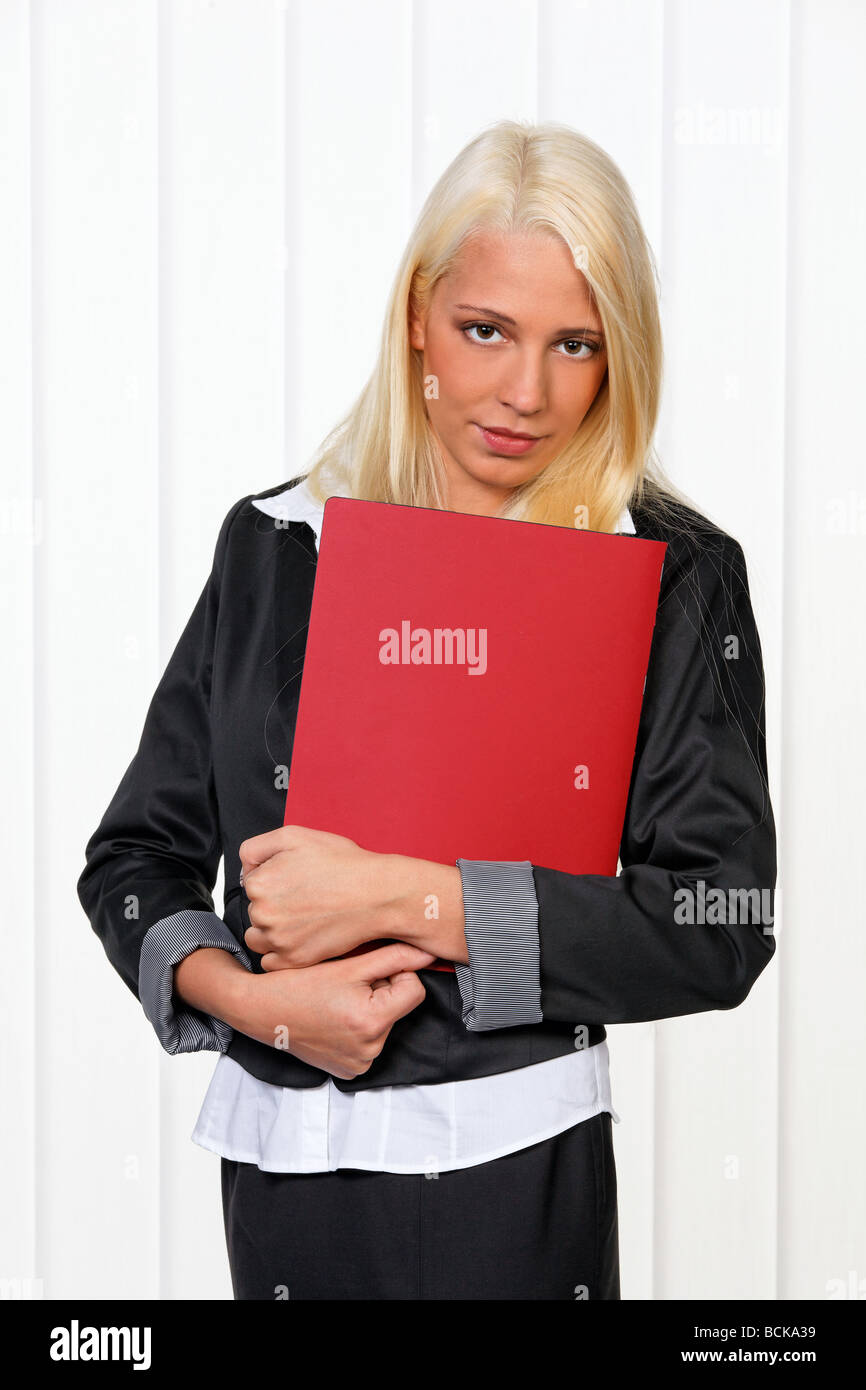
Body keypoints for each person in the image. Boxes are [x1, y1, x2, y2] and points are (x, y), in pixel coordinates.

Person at [77, 118, 776, 1301]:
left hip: (511, 1184)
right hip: (278, 1187)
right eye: (484, 330)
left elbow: (719, 916)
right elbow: (132, 858)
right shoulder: (275, 543)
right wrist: (258, 1004)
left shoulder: (664, 572)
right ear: (417, 318)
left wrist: (412, 899)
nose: (522, 392)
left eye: (575, 346)